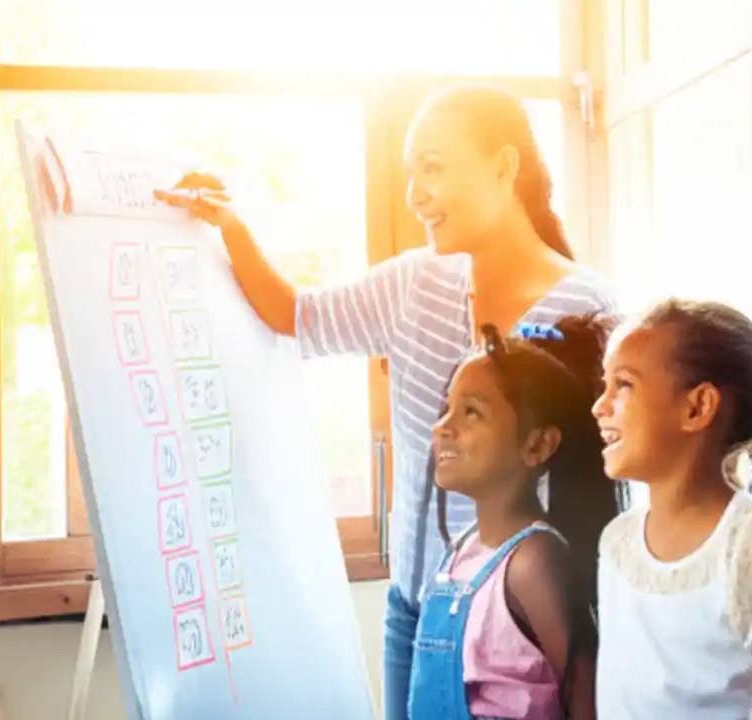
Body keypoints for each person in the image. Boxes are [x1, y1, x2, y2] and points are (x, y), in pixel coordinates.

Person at [157, 84, 615, 720]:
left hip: (525, 617)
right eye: (409, 173)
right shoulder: (412, 283)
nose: (415, 194)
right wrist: (229, 226)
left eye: (434, 167)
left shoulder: (590, 308)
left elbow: (617, 468)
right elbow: (294, 314)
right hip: (421, 608)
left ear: (503, 166)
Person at [591, 299, 752, 719]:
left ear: (697, 407)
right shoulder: (616, 543)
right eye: (604, 384)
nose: (600, 406)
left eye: (623, 385)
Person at [408, 315, 621, 720]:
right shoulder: (462, 550)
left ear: (537, 445)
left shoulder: (533, 563)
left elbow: (585, 700)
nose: (442, 427)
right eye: (447, 408)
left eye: (470, 412)